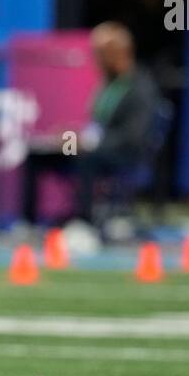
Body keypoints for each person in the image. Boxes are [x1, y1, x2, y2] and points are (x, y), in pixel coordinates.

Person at [19, 21, 162, 230]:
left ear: (116, 53)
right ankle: (28, 225)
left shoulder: (140, 87)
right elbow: (95, 126)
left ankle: (83, 223)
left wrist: (91, 143)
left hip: (121, 154)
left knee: (86, 159)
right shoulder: (107, 85)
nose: (95, 58)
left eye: (100, 53)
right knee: (37, 154)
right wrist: (71, 137)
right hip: (89, 147)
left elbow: (133, 136)